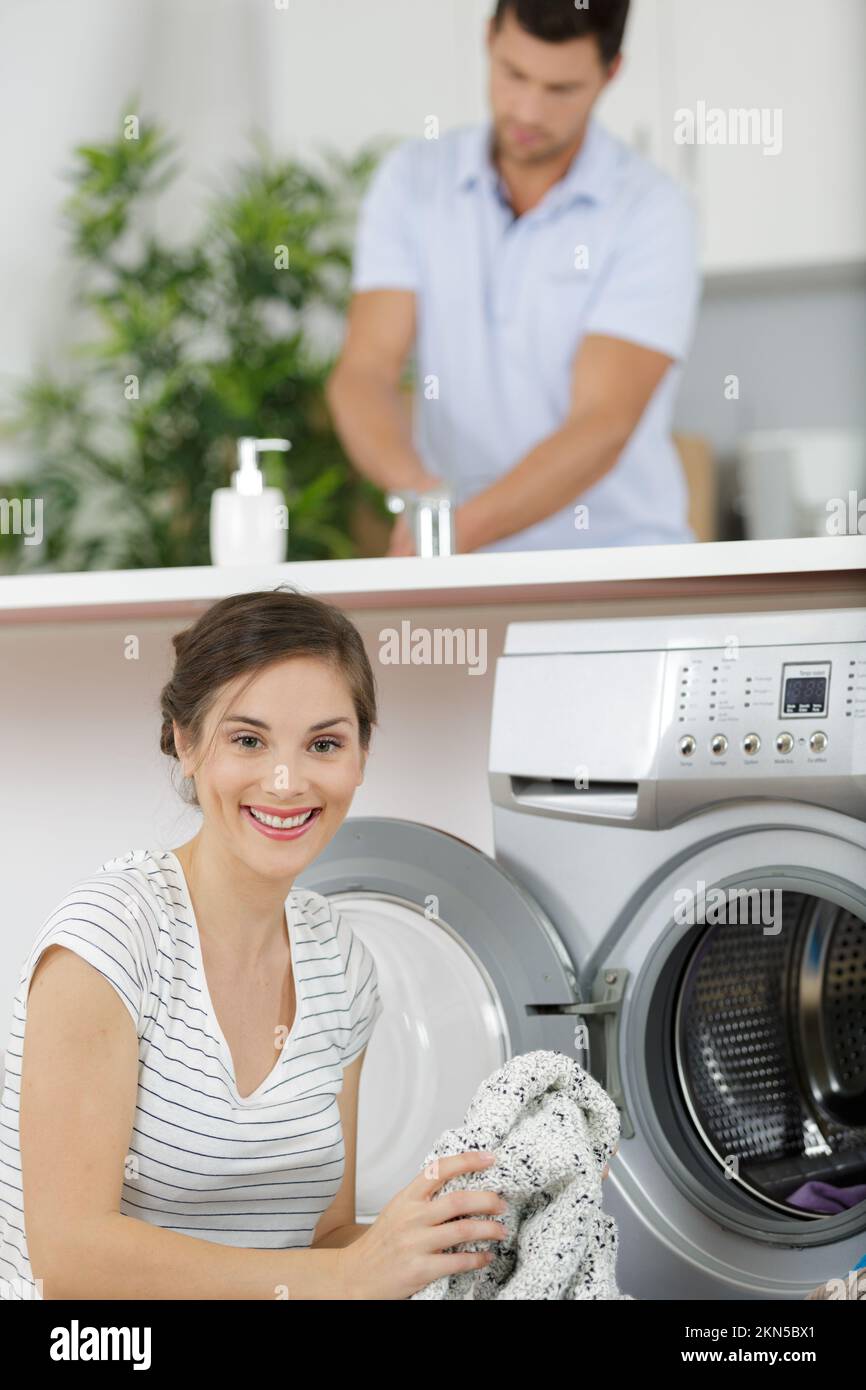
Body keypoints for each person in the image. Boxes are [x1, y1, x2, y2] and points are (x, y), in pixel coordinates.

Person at [0, 588, 509, 1300]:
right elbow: (71, 1258)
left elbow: (325, 1240)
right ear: (185, 742)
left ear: (361, 757)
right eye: (248, 740)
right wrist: (339, 1276)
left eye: (324, 744)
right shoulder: (110, 939)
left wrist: (471, 1229)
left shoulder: (340, 962)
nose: (286, 780)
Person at [327, 0, 702, 556]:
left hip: (619, 561)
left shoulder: (651, 209)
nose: (527, 110)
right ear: (489, 40)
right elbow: (364, 372)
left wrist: (458, 531)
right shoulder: (413, 182)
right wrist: (422, 496)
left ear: (610, 72)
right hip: (463, 562)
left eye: (561, 89)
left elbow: (603, 422)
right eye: (513, 74)